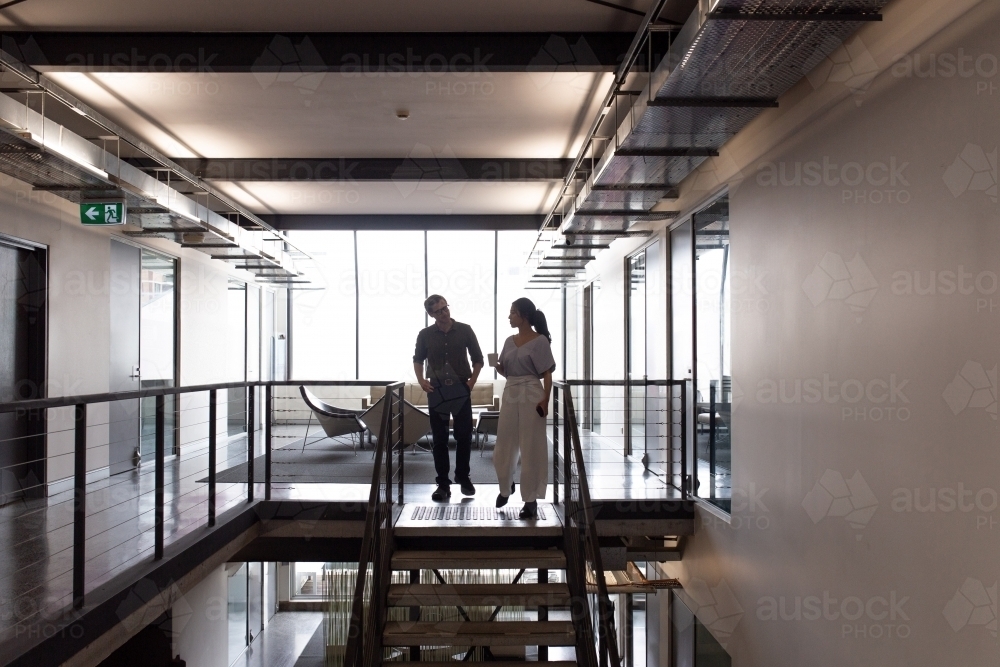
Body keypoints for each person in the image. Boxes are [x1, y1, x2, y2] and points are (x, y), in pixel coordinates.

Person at [413, 294, 484, 501]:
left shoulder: (465, 329)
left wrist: (471, 383)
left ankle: (463, 476)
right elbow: (417, 359)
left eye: (445, 308)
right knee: (440, 438)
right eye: (439, 311)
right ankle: (443, 483)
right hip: (436, 390)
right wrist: (420, 380)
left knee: (464, 435)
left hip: (461, 388)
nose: (444, 313)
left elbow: (478, 359)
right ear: (430, 314)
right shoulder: (425, 334)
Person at [491, 297, 555, 519]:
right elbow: (507, 371)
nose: (509, 316)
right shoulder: (509, 341)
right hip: (511, 391)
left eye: (512, 312)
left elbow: (547, 373)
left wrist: (545, 399)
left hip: (532, 393)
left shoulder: (540, 341)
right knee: (504, 442)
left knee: (532, 446)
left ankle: (531, 500)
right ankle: (506, 488)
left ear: (524, 316)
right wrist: (497, 366)